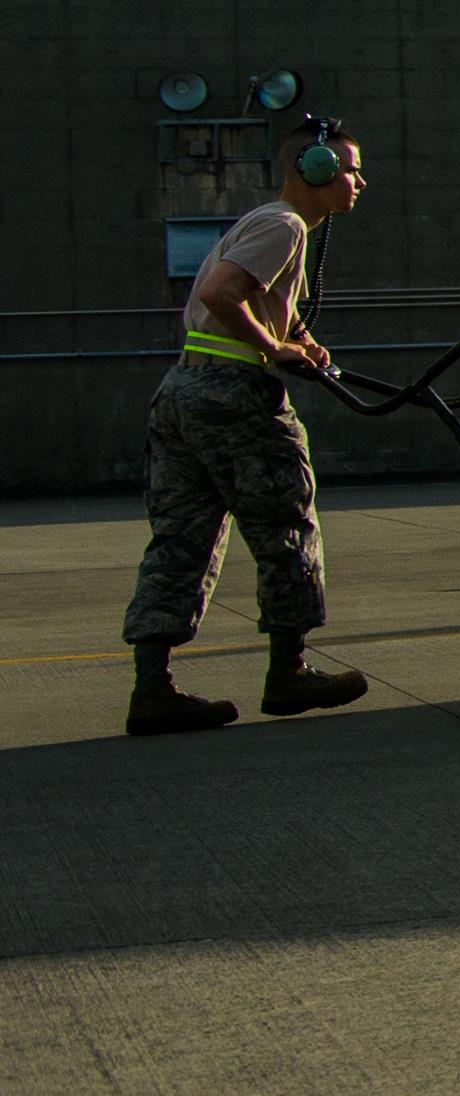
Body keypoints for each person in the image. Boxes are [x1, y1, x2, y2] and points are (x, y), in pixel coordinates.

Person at [122, 113, 374, 736]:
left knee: (181, 539)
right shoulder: (286, 224)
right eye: (349, 169)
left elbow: (258, 303)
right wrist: (272, 349)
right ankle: (288, 673)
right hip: (235, 396)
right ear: (311, 170)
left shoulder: (269, 225)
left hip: (185, 389)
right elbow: (223, 294)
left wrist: (302, 341)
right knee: (286, 523)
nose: (359, 182)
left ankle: (152, 689)